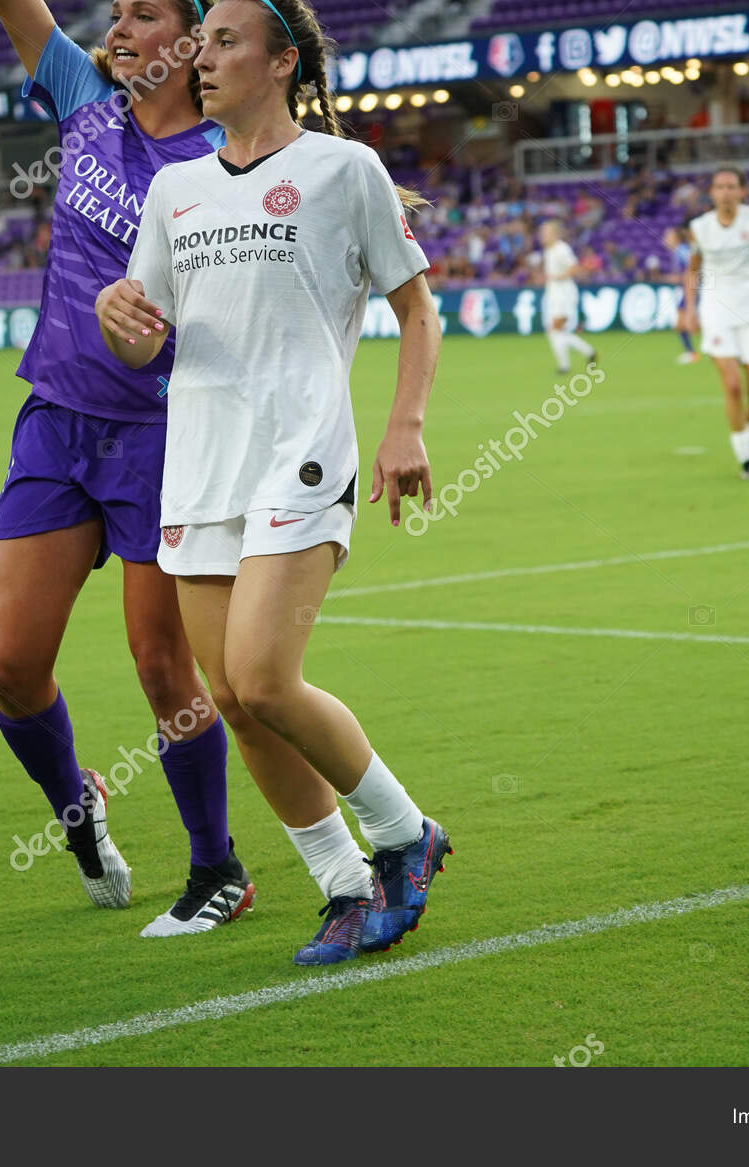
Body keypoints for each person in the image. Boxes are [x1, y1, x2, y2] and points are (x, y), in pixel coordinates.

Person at [95, 0, 451, 966]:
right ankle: (342, 885)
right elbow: (142, 339)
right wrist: (114, 316)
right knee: (235, 703)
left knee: (263, 676)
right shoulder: (174, 190)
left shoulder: (344, 170)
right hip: (199, 467)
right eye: (199, 44)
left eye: (223, 43)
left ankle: (405, 831)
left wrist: (403, 427)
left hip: (301, 453)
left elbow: (418, 311)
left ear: (282, 60)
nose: (200, 59)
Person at [0, 0, 259, 937]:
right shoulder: (82, 97)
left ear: (191, 43)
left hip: (162, 436)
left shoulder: (227, 159)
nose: (119, 27)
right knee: (12, 668)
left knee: (161, 665)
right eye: (115, 12)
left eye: (145, 14)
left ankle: (218, 866)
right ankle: (79, 803)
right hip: (57, 420)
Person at [680, 167, 749, 480]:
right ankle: (746, 461)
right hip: (716, 312)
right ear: (711, 192)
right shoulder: (699, 227)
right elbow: (693, 269)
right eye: (719, 187)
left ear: (742, 191)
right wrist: (690, 309)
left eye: (731, 186)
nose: (725, 192)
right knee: (733, 387)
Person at [538, 219, 597, 374]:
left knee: (555, 330)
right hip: (554, 294)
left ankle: (565, 365)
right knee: (557, 331)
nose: (542, 235)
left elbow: (574, 268)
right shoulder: (549, 250)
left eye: (546, 232)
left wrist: (557, 277)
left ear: (555, 234)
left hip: (564, 294)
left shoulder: (562, 249)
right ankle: (588, 352)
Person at [663, 225, 697, 364]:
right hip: (685, 290)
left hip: (691, 290)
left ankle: (691, 353)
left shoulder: (682, 251)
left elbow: (693, 272)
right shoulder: (678, 252)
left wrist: (677, 279)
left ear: (676, 238)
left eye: (668, 236)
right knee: (681, 324)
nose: (665, 239)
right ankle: (691, 353)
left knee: (682, 324)